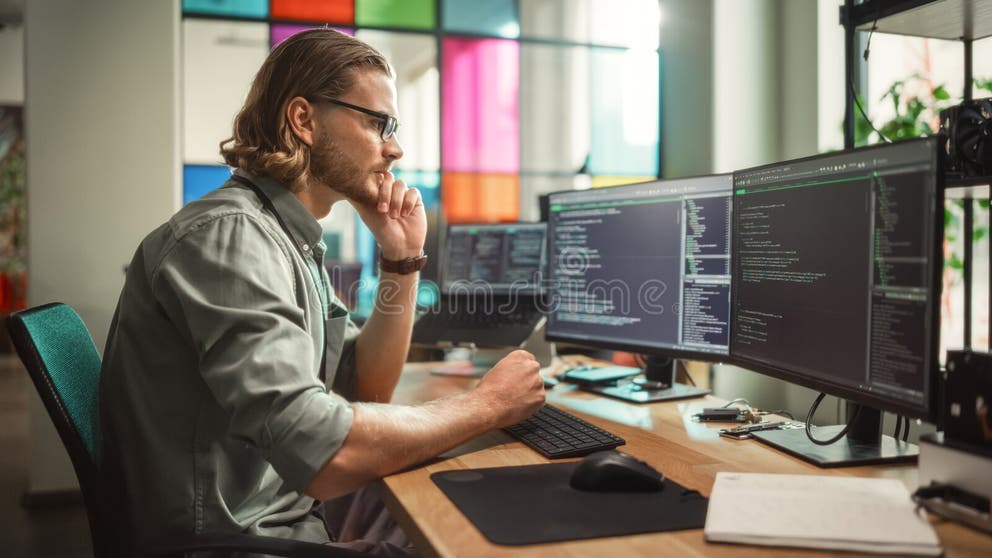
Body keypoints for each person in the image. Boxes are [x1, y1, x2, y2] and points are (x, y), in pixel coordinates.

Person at [99, 28, 546, 555]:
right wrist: (485, 407)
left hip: (279, 513)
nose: (395, 147)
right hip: (241, 540)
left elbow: (366, 384)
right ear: (304, 120)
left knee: (475, 505)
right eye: (377, 122)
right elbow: (320, 453)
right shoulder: (229, 238)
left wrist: (401, 263)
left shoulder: (283, 238)